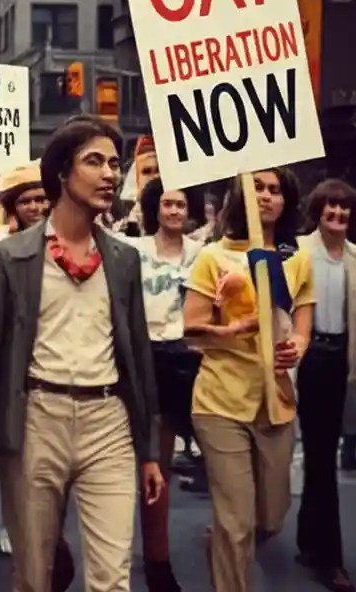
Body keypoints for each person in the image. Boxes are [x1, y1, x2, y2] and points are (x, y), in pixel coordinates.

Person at [0, 116, 163, 592]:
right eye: (94, 161)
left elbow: (139, 354)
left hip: (109, 423)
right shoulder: (7, 259)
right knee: (34, 575)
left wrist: (150, 451)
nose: (110, 174)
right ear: (60, 174)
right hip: (37, 419)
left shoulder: (124, 258)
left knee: (112, 580)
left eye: (114, 164)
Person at [182, 168, 315, 592]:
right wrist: (236, 328)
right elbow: (191, 329)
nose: (266, 196)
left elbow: (302, 326)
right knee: (236, 520)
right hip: (220, 400)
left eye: (275, 190)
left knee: (270, 518)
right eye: (256, 187)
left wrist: (296, 344)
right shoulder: (212, 256)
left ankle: (221, 543)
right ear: (240, 196)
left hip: (275, 398)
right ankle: (229, 564)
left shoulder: (297, 257)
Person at [293, 179, 356, 590]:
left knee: (321, 456)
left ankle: (310, 541)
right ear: (318, 211)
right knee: (321, 457)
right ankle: (330, 559)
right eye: (330, 208)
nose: (338, 215)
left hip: (344, 362)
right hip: (308, 360)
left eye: (344, 210)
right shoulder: (297, 251)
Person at [127, 178, 204, 592]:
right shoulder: (134, 252)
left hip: (191, 357)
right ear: (154, 208)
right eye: (167, 204)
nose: (174, 211)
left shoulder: (204, 254)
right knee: (155, 462)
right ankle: (157, 560)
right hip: (147, 358)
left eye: (181, 205)